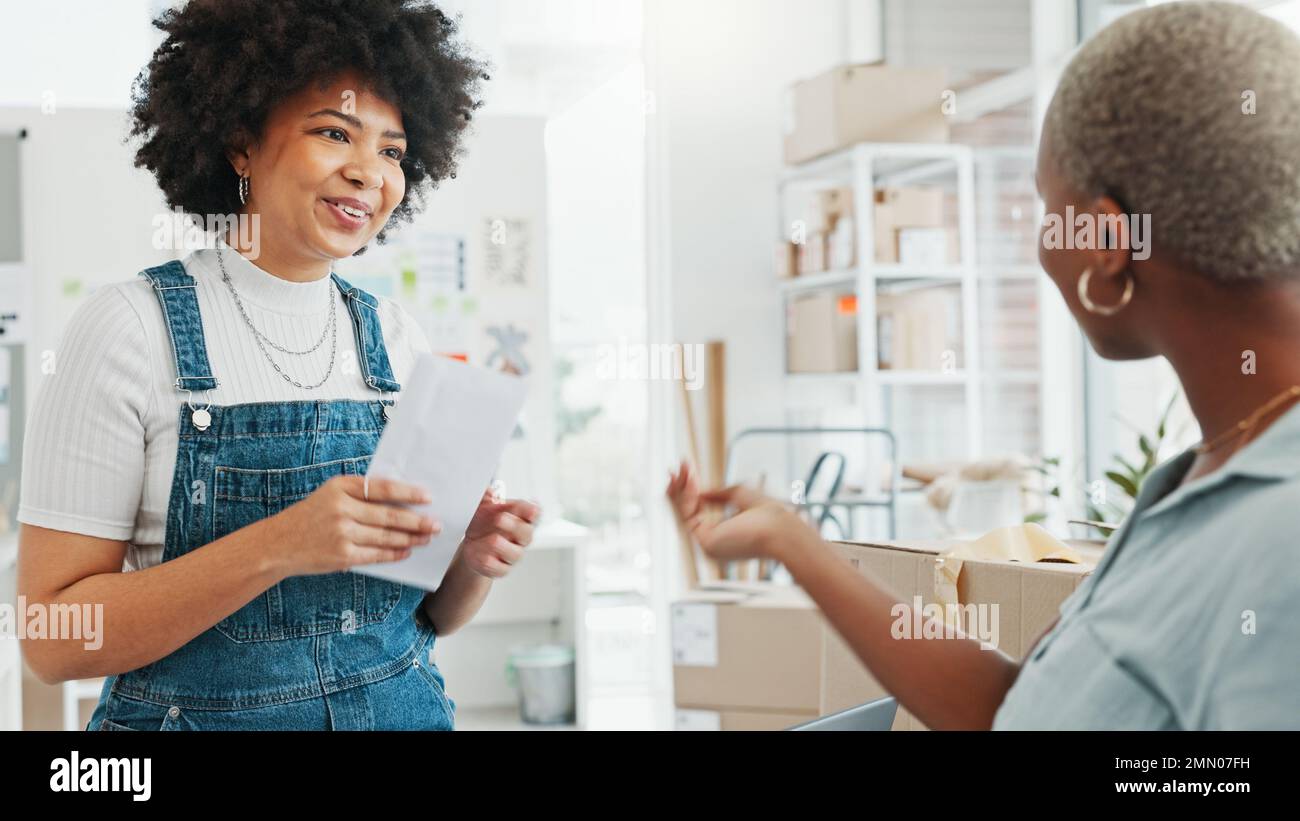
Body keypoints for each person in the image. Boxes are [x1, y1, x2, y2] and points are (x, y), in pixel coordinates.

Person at [668, 1, 1300, 730]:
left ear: (1102, 239)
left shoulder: (1279, 533)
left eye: (1044, 206)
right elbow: (1014, 708)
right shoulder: (1207, 475)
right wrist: (792, 540)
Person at [17, 0, 539, 731]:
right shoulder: (129, 329)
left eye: (392, 151)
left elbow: (424, 619)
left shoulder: (395, 337)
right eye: (334, 133)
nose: (369, 174)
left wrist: (470, 560)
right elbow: (49, 638)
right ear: (240, 141)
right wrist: (278, 545)